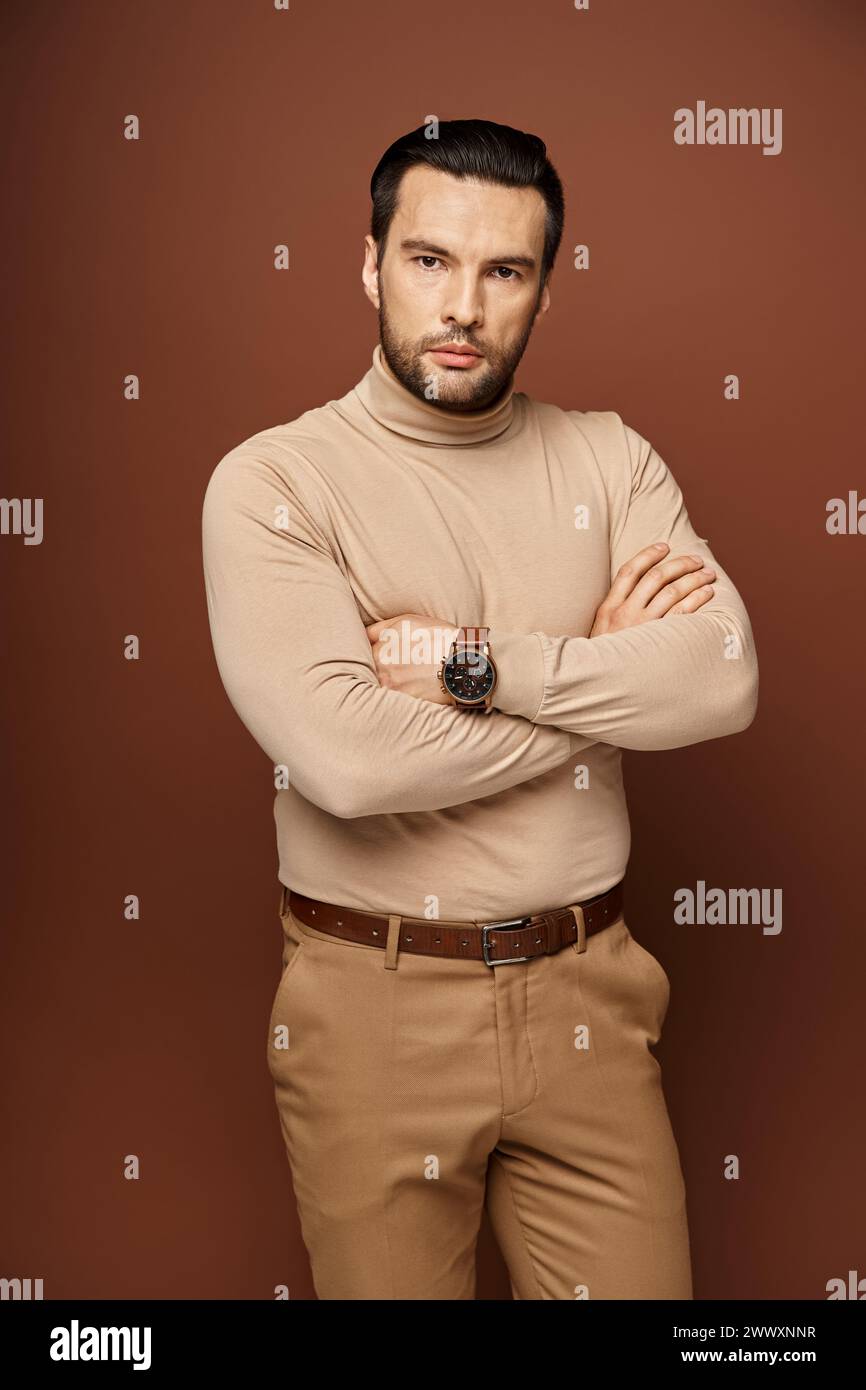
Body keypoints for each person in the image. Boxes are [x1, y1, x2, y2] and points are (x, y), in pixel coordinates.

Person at [201, 118, 758, 1300]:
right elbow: (347, 760)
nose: (462, 304)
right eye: (428, 260)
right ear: (368, 265)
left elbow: (719, 674)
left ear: (544, 292)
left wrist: (472, 664)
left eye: (503, 271)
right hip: (373, 1008)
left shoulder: (609, 462)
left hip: (590, 993)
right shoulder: (275, 482)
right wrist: (606, 679)